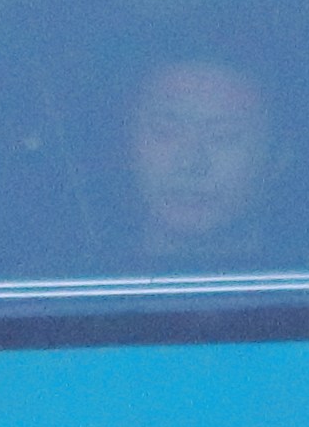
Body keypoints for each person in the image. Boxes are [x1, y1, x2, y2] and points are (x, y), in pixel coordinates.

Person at [118, 50, 284, 273]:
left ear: (277, 158)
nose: (190, 163)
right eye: (165, 131)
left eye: (223, 136)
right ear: (127, 141)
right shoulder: (76, 289)